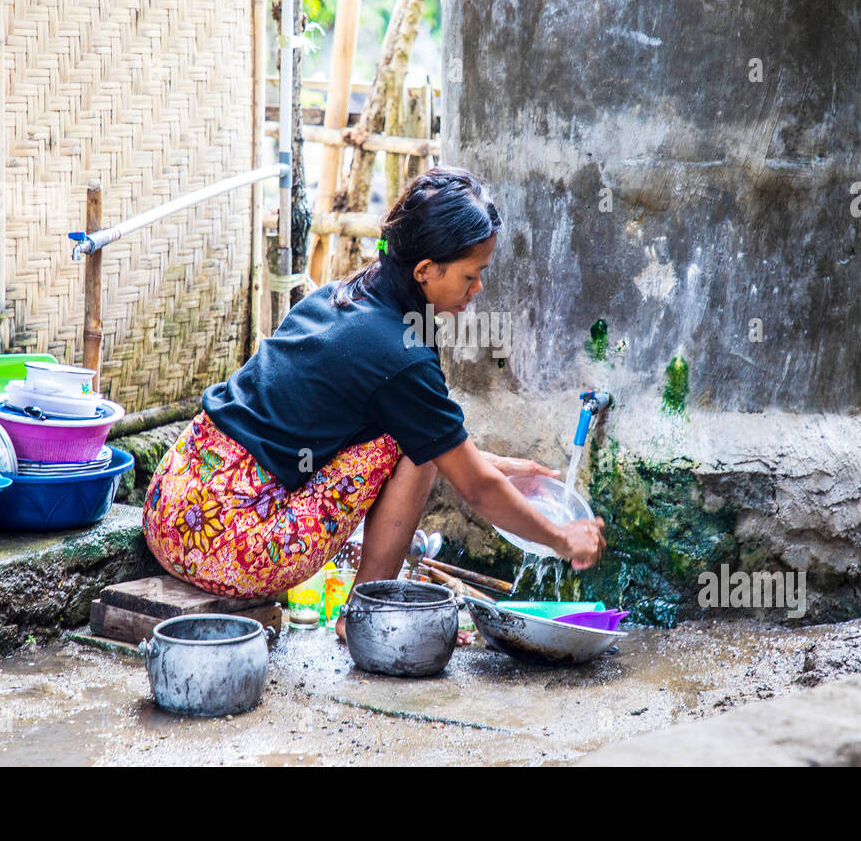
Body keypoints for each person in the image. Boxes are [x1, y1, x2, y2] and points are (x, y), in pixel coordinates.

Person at [142, 166, 607, 641]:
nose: (478, 288)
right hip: (223, 544)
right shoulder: (401, 357)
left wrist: (500, 466)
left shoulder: (340, 298)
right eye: (472, 274)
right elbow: (474, 487)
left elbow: (426, 443)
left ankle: (365, 608)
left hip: (170, 510)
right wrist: (560, 537)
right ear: (425, 271)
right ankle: (364, 617)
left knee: (414, 437)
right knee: (415, 448)